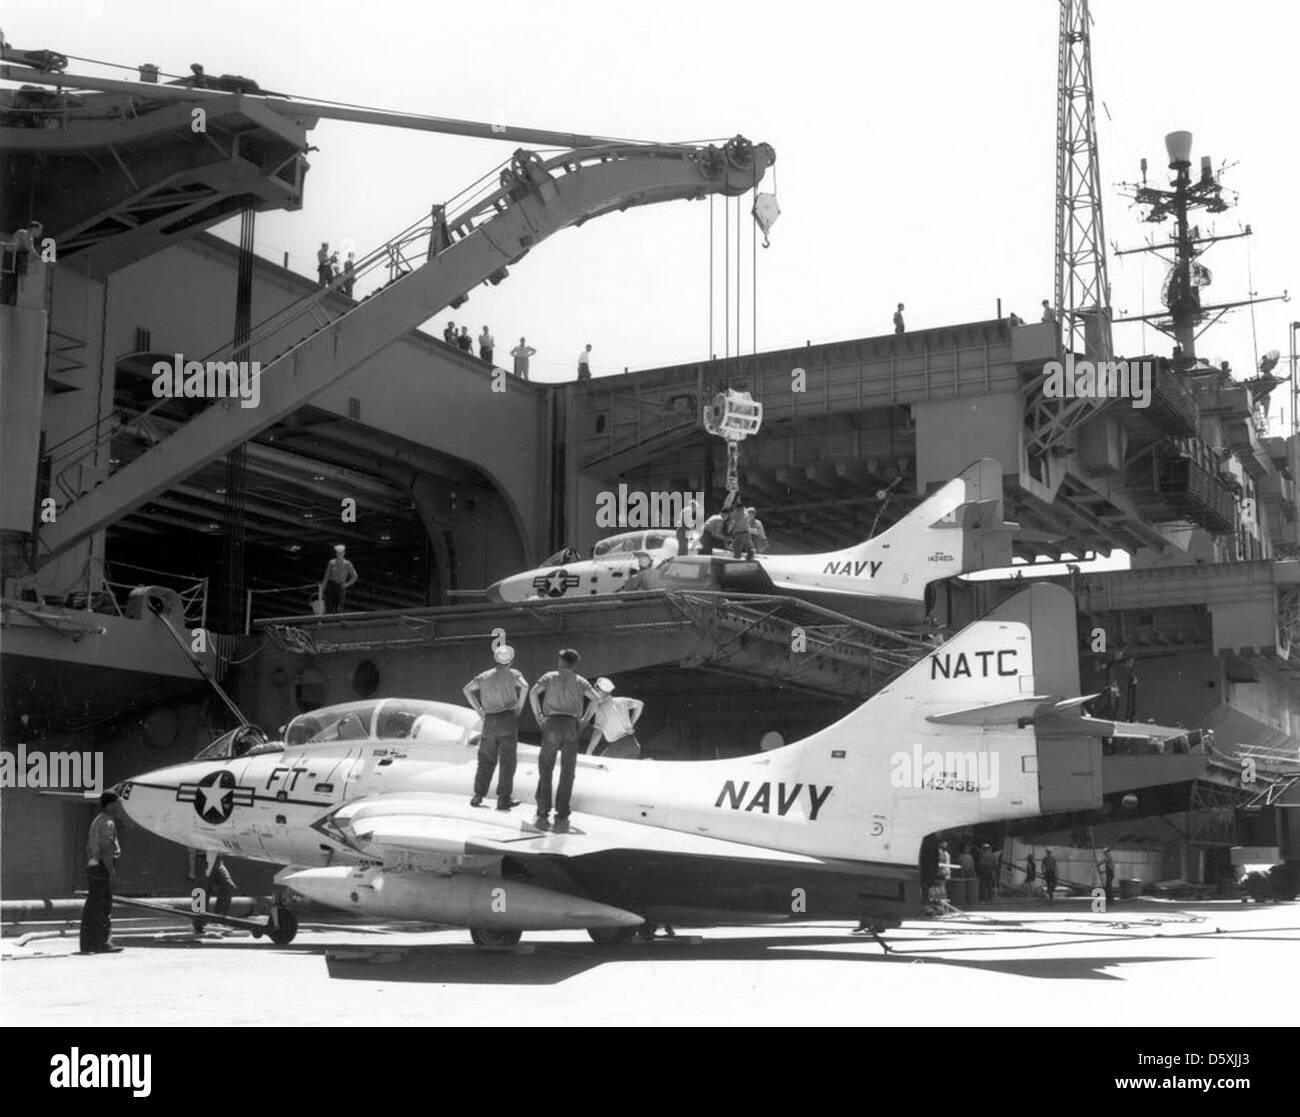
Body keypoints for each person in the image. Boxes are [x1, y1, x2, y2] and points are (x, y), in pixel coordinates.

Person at [529, 648, 599, 831]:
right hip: (571, 725)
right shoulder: (581, 681)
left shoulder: (549, 677)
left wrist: (538, 716)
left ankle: (543, 811)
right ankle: (562, 812)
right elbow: (596, 699)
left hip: (552, 723)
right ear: (575, 664)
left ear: (560, 661)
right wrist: (584, 720)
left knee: (546, 768)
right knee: (568, 771)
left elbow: (533, 693)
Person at [462, 644, 528, 810]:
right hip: (507, 718)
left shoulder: (484, 676)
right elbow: (525, 687)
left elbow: (467, 690)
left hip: (489, 720)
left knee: (485, 758)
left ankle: (478, 795)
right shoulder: (513, 674)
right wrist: (519, 707)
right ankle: (503, 798)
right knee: (507, 760)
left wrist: (479, 710)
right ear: (511, 660)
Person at [79, 791, 125, 954]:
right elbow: (106, 848)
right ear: (110, 805)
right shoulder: (107, 822)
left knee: (93, 904)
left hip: (93, 864)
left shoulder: (98, 820)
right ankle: (102, 942)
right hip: (102, 865)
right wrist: (111, 870)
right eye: (117, 804)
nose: (119, 806)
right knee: (103, 904)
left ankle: (88, 943)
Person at [582, 678, 644, 758]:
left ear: (599, 690)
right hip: (633, 744)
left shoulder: (601, 708)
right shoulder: (621, 701)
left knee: (601, 765)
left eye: (595, 688)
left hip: (620, 746)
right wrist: (632, 723)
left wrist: (589, 751)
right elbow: (640, 704)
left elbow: (598, 732)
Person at [189, 849, 236, 934]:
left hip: (217, 860)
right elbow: (191, 848)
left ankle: (218, 919)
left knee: (228, 887)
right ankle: (199, 924)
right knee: (201, 892)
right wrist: (192, 869)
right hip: (202, 859)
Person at [319, 543, 358, 614]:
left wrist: (347, 584)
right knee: (329, 605)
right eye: (337, 553)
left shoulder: (347, 564)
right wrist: (322, 589)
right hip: (331, 586)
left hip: (341, 586)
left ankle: (338, 622)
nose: (339, 555)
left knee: (339, 607)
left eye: (341, 553)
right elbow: (326, 576)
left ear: (344, 553)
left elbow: (354, 576)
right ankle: (329, 622)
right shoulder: (331, 563)